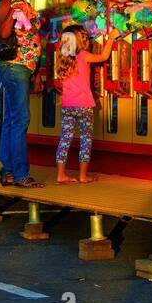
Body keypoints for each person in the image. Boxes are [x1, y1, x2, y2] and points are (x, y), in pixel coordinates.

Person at [53, 25, 118, 184]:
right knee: (85, 140)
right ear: (80, 41)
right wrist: (111, 38)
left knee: (65, 139)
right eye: (86, 38)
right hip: (84, 106)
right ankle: (83, 176)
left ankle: (61, 175)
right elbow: (103, 56)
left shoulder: (62, 57)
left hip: (67, 106)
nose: (88, 41)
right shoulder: (83, 56)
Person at [0, 0, 41, 188]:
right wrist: (16, 6)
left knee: (11, 120)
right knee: (20, 119)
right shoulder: (9, 3)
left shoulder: (21, 2)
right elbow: (4, 33)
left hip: (22, 67)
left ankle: (8, 171)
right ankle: (21, 173)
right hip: (15, 66)